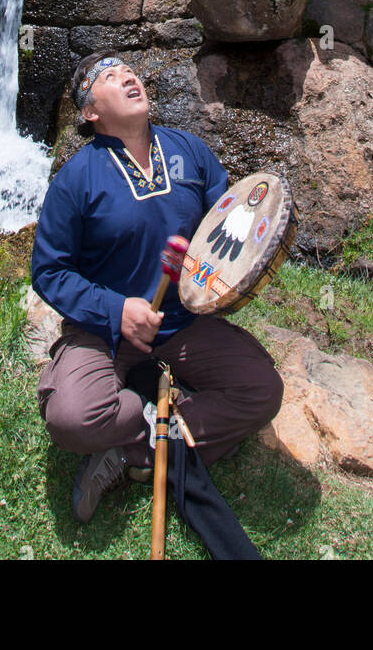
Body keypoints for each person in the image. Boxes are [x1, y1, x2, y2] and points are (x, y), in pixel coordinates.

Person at [31, 51, 284, 523]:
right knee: (71, 418)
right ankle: (168, 428)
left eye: (130, 71)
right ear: (90, 112)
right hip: (101, 333)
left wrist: (242, 264)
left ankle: (133, 450)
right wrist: (115, 311)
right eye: (111, 76)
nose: (128, 76)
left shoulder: (192, 152)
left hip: (182, 323)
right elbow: (49, 271)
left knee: (261, 390)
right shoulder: (75, 180)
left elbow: (228, 230)